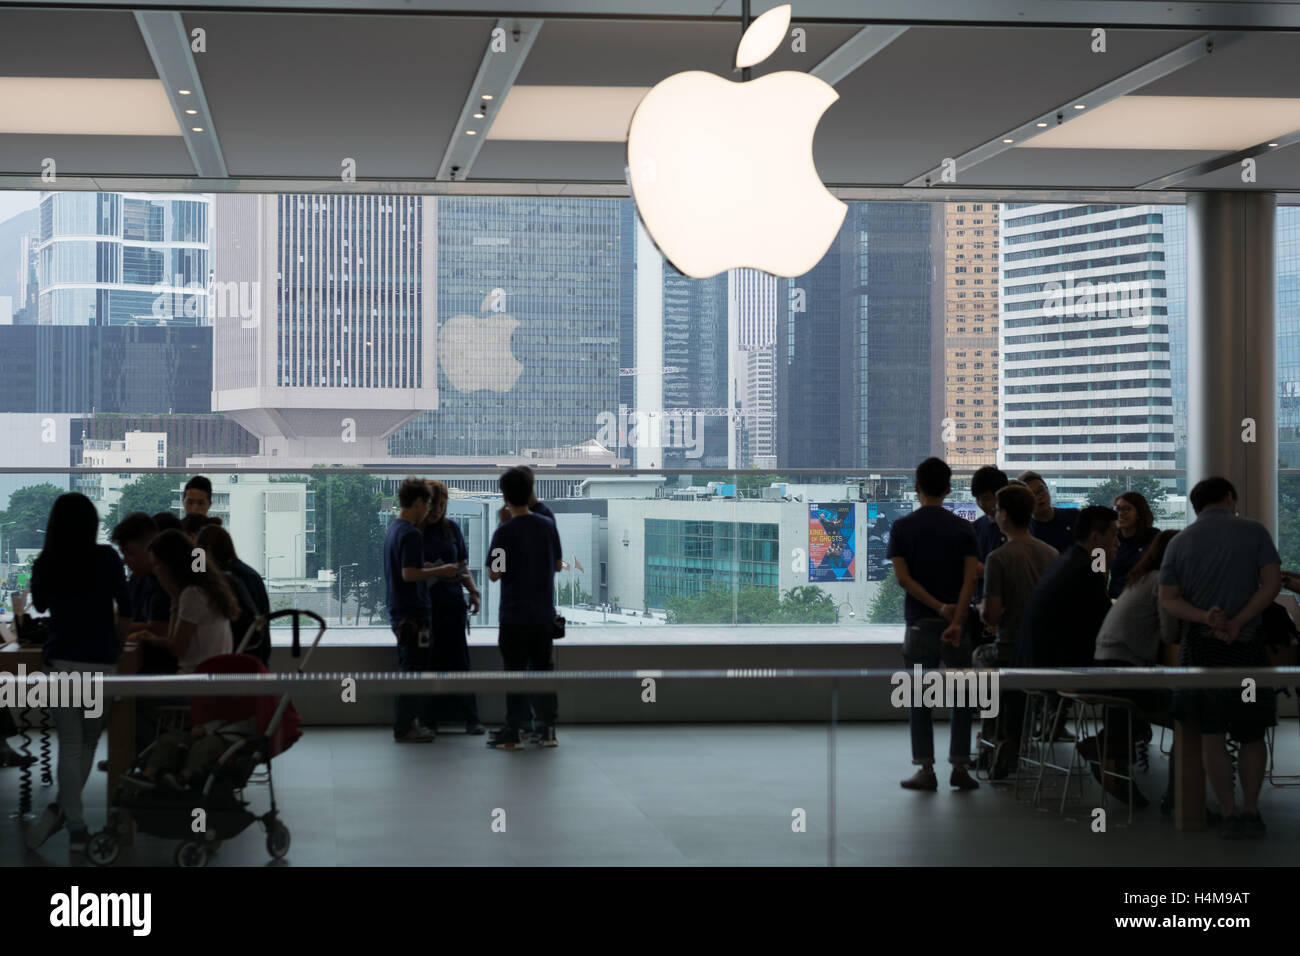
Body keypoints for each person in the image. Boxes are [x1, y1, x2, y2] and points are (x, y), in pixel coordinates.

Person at [1159, 476, 1280, 838]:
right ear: (1230, 497)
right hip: (1246, 646)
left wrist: (1206, 617)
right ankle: (1251, 810)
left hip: (1201, 648)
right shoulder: (1253, 532)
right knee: (1251, 731)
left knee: (1211, 731)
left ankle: (1227, 811)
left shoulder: (1179, 542)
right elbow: (1272, 584)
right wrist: (1239, 620)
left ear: (1196, 506)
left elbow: (1168, 598)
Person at [24, 493, 131, 853]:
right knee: (87, 742)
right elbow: (127, 607)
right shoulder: (108, 558)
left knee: (69, 744)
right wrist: (116, 647)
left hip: (62, 660)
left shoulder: (47, 562)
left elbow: (38, 604)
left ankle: (74, 824)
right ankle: (70, 818)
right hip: (101, 661)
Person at [887, 457, 980, 791]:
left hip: (918, 623)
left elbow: (903, 579)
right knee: (963, 698)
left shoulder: (902, 528)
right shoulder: (964, 528)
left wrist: (938, 607)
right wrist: (955, 616)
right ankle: (959, 767)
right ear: (948, 488)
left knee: (919, 697)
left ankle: (925, 769)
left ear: (917, 487)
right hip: (959, 626)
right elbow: (971, 578)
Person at [1091, 529, 1181, 808]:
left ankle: (1104, 752)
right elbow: (1170, 633)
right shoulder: (1161, 581)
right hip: (1126, 666)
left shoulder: (1140, 578)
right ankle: (1180, 799)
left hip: (1107, 661)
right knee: (1188, 716)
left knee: (1129, 714)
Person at [980, 484, 1059, 776]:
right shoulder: (1051, 554)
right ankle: (1012, 737)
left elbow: (991, 613)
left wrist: (980, 610)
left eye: (997, 509)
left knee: (980, 664)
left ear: (1004, 516)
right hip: (1044, 653)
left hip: (1008, 649)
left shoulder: (998, 558)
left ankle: (993, 741)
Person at [485, 466, 563, 750]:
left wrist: (500, 527)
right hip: (543, 614)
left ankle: (515, 730)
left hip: (514, 615)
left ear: (505, 496)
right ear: (530, 489)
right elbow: (557, 564)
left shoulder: (505, 532)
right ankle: (547, 729)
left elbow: (495, 573)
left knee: (514, 671)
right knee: (544, 670)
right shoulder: (547, 525)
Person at [384, 478, 457, 743]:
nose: (430, 510)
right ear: (417, 502)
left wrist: (423, 566)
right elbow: (409, 573)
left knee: (409, 665)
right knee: (414, 670)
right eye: (427, 503)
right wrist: (441, 570)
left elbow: (406, 567)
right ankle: (406, 727)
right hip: (413, 613)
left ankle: (407, 723)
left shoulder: (395, 528)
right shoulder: (412, 533)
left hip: (399, 610)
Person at [1018, 506, 1119, 669]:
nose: (1117, 543)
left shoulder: (1068, 559)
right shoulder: (1085, 572)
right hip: (1057, 670)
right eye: (1114, 535)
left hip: (1034, 659)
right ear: (1095, 537)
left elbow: (1099, 567)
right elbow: (1109, 625)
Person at [421, 480, 485, 734]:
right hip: (427, 607)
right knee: (431, 661)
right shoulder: (415, 532)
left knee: (460, 660)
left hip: (453, 603)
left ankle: (471, 718)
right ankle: (431, 718)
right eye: (433, 505)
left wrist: (473, 591)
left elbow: (462, 566)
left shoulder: (452, 529)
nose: (437, 510)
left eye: (442, 505)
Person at [138, 529, 238, 674]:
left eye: (156, 565)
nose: (154, 571)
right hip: (213, 676)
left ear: (170, 565)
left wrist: (153, 639)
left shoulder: (192, 595)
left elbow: (177, 648)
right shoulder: (206, 589)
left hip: (196, 680)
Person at [195, 524, 271, 663]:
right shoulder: (249, 573)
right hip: (257, 650)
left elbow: (196, 576)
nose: (197, 559)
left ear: (208, 550)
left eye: (198, 553)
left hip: (236, 652)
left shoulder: (224, 578)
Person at [1110, 492, 1158, 598]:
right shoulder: (1109, 538)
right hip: (1116, 599)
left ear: (1139, 513)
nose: (1121, 513)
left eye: (1127, 509)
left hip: (1145, 598)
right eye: (1118, 509)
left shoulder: (1154, 537)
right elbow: (1097, 569)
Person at [1019, 471, 1078, 554]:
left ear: (1047, 489)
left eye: (1041, 490)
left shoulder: (1074, 515)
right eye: (1032, 494)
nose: (1039, 496)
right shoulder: (1026, 531)